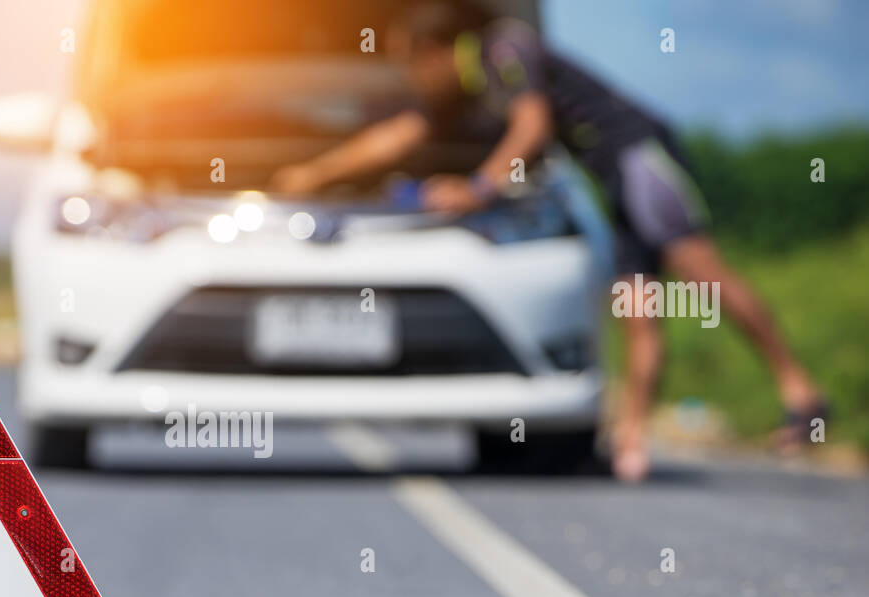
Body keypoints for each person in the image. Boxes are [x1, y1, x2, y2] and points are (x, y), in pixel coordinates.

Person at [270, 2, 825, 481]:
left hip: (638, 159)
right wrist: (313, 175)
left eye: (411, 62)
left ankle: (798, 388)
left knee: (701, 271)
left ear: (437, 50)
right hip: (611, 180)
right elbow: (396, 137)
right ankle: (630, 443)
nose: (410, 78)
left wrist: (478, 188)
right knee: (637, 307)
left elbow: (532, 126)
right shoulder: (466, 85)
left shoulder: (506, 48)